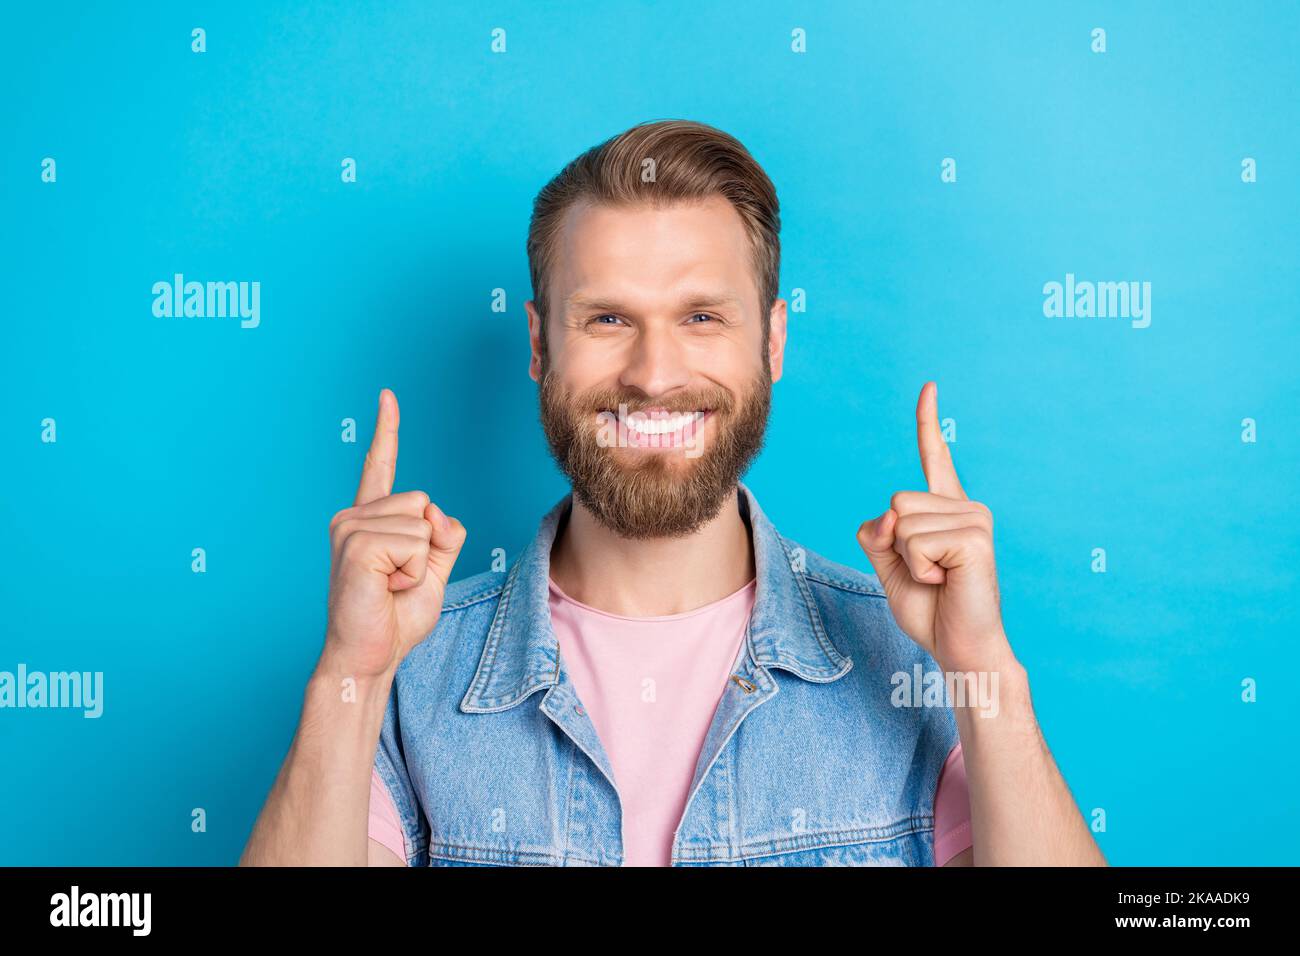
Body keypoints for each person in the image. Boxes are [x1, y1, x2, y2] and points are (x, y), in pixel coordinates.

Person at [240, 119, 1106, 867]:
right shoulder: (407, 676)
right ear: (540, 345)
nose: (654, 376)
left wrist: (986, 670)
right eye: (608, 319)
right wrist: (345, 678)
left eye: (701, 317)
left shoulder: (913, 663)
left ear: (771, 342)